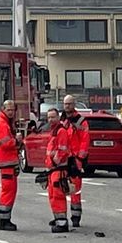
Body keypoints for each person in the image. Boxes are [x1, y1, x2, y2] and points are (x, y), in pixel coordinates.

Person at [0, 99, 21, 231]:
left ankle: (6, 220)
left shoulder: (5, 123)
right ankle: (4, 221)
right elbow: (7, 143)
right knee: (8, 192)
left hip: (8, 164)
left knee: (10, 191)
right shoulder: (2, 124)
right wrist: (17, 140)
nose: (11, 112)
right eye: (8, 110)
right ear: (3, 109)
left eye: (12, 110)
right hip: (6, 164)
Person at [41, 107, 73, 233]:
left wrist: (55, 162)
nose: (50, 119)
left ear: (58, 117)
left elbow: (63, 150)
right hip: (53, 169)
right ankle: (58, 219)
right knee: (53, 196)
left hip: (58, 169)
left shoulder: (61, 131)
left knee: (58, 196)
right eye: (49, 117)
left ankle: (62, 223)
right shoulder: (53, 131)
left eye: (53, 117)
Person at [60, 95, 88, 228]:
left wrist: (80, 158)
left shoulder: (80, 120)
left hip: (75, 158)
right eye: (65, 104)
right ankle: (61, 215)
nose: (67, 106)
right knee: (60, 187)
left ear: (74, 104)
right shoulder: (62, 119)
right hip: (64, 158)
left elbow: (85, 140)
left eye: (69, 104)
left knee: (75, 189)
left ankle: (76, 216)